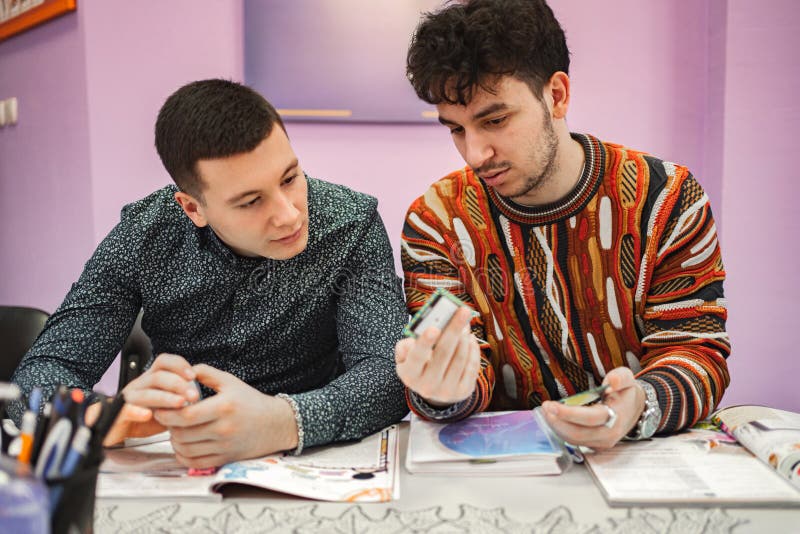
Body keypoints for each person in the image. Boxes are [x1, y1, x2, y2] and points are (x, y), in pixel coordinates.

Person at [10, 79, 408, 467]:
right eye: (250, 201)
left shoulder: (351, 223)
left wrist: (283, 421)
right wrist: (106, 417)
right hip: (180, 449)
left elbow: (389, 375)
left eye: (290, 178)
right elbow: (39, 375)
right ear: (193, 209)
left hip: (317, 454)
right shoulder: (144, 236)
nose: (289, 215)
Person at [395, 0, 730, 449]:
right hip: (507, 470)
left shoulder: (667, 198)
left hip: (639, 458)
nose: (475, 154)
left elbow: (696, 349)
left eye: (494, 120)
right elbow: (467, 367)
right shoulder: (435, 221)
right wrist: (445, 390)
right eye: (455, 129)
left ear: (556, 95)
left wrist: (639, 405)